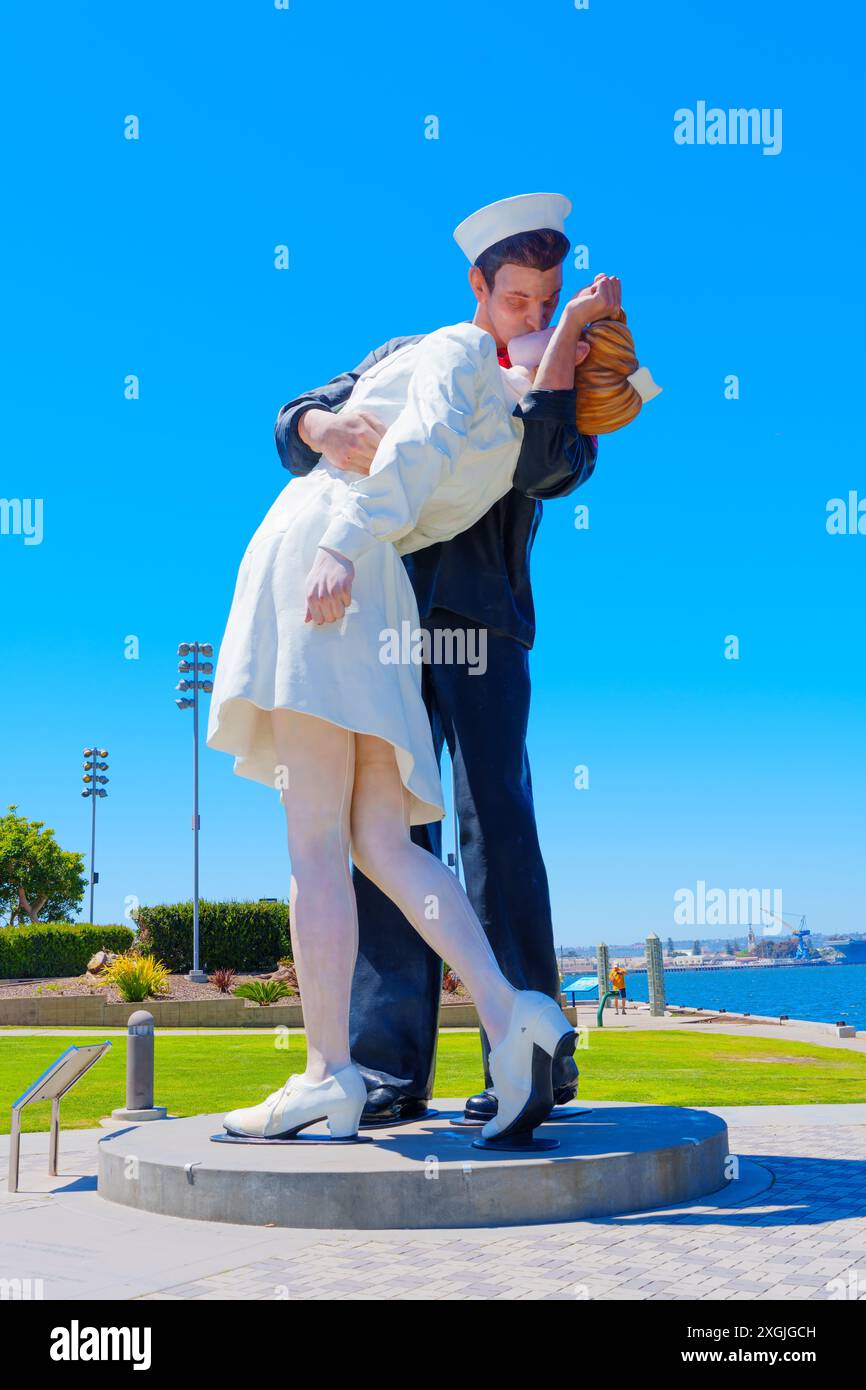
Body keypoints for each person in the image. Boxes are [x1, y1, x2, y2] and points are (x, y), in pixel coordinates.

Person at [206, 195, 621, 1145]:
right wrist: (319, 431)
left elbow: (551, 467)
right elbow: (297, 417)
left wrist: (563, 361)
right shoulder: (421, 348)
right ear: (479, 287)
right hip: (373, 600)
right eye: (514, 299)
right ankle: (387, 1062)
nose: (530, 315)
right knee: (383, 841)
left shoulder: (562, 376)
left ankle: (513, 1057)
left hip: (462, 617)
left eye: (545, 301)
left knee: (487, 823)